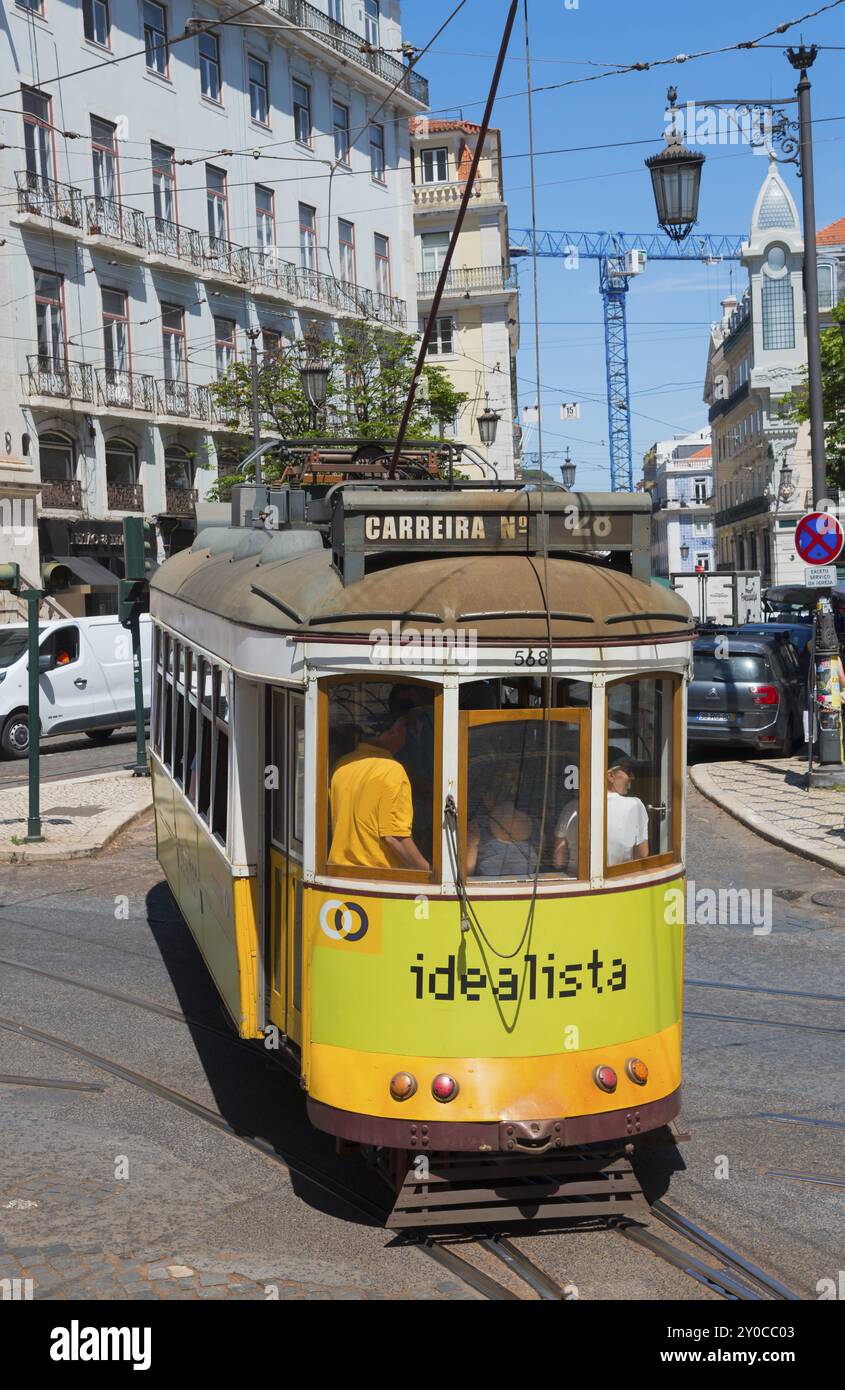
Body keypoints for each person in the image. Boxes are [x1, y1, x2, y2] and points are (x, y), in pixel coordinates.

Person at [329, 710, 429, 873]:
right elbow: (394, 838)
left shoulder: (342, 764)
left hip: (341, 874)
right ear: (394, 731)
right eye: (405, 729)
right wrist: (428, 872)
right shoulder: (392, 770)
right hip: (379, 877)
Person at [553, 746, 650, 871]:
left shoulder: (571, 807)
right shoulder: (635, 805)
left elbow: (559, 861)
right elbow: (642, 856)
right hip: (618, 881)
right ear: (610, 776)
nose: (632, 777)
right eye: (628, 771)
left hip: (576, 881)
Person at [466, 770, 540, 878]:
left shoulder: (476, 827)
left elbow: (467, 872)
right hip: (527, 891)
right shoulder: (535, 825)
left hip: (488, 893)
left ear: (489, 796)